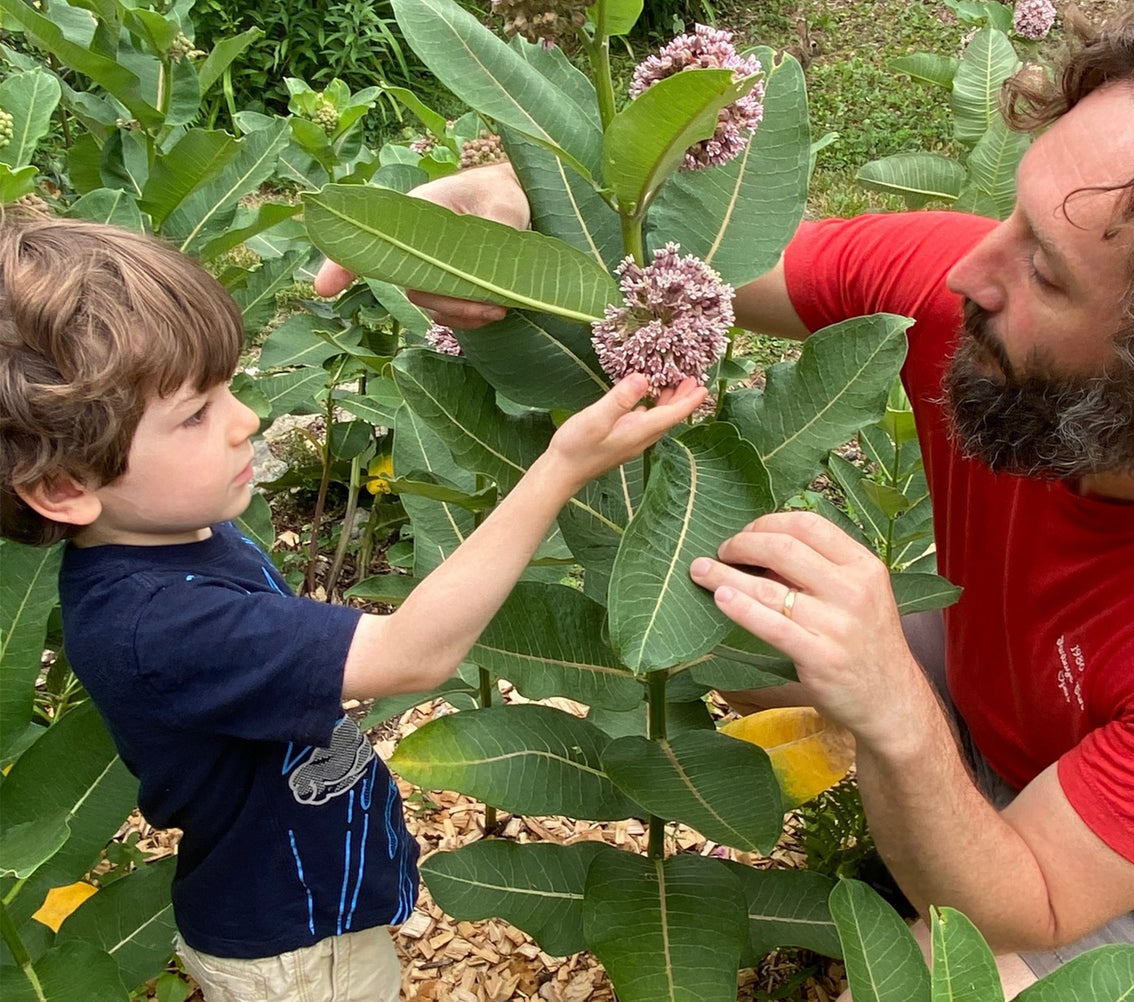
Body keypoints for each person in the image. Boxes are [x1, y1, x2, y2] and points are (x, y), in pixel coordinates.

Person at [315, 3, 1134, 995]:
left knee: (933, 981)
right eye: (1016, 217)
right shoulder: (961, 297)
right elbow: (702, 279)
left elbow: (1024, 900)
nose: (964, 270)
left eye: (1044, 267)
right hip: (1004, 698)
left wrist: (897, 715)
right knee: (723, 609)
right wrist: (525, 222)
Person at [0, 210, 706, 1002]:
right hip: (296, 949)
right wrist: (558, 469)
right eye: (195, 415)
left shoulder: (171, 533)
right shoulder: (158, 624)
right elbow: (415, 655)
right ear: (65, 488)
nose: (247, 422)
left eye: (228, 389)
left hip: (305, 905)